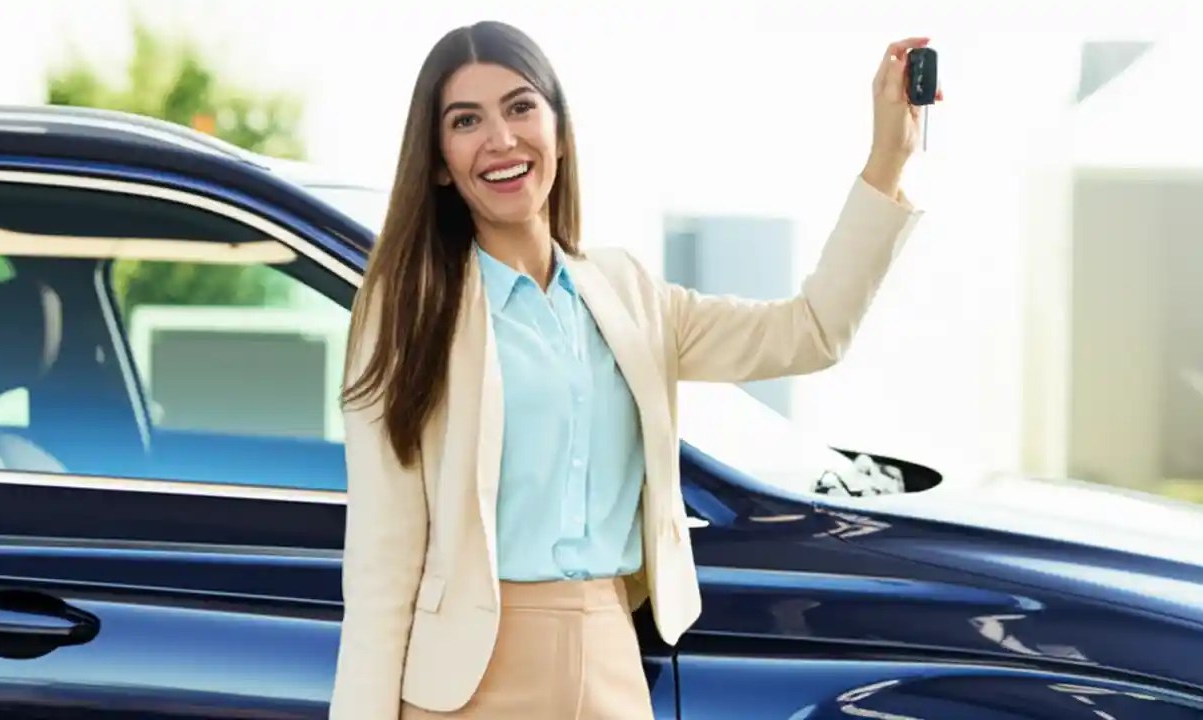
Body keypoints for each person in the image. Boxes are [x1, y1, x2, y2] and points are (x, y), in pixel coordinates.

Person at [332, 19, 935, 719]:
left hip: (611, 660)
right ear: (439, 160)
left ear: (558, 128)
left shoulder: (629, 293)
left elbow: (812, 332)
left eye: (521, 106)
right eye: (467, 121)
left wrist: (888, 157)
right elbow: (380, 568)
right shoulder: (409, 310)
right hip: (467, 684)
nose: (500, 139)